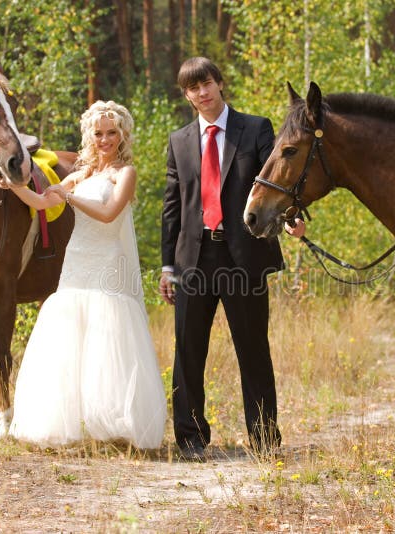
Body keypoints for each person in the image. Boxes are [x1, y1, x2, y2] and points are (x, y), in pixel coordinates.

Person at [7, 100, 166, 450]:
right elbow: (40, 203)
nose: (105, 139)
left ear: (123, 134)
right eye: (98, 133)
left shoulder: (125, 173)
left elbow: (109, 213)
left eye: (111, 133)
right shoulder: (82, 174)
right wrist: (13, 184)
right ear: (89, 136)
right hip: (76, 261)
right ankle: (69, 426)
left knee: (108, 338)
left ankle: (112, 426)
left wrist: (70, 197)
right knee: (71, 338)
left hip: (107, 261)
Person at [160, 56, 289, 461]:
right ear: (186, 95)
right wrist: (167, 267)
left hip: (243, 256)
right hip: (193, 261)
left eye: (207, 84)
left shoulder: (255, 129)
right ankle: (191, 438)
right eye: (192, 88)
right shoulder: (179, 141)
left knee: (252, 349)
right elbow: (171, 208)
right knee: (188, 351)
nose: (202, 93)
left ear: (220, 83)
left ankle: (265, 440)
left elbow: (278, 183)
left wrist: (290, 220)